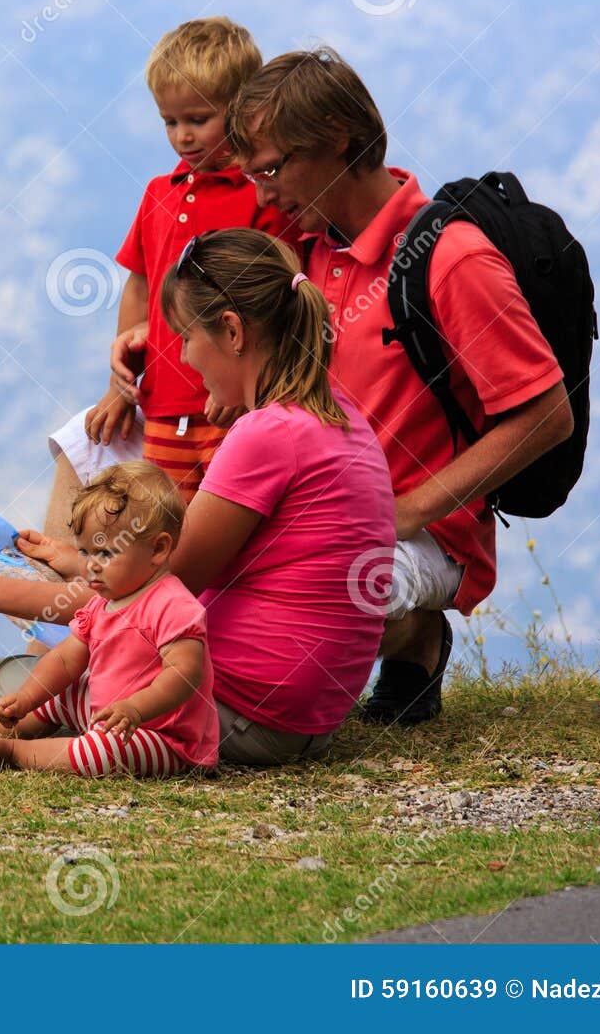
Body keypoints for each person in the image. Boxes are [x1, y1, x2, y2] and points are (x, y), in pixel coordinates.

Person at [0, 229, 396, 765]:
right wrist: (71, 560)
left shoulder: (268, 435)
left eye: (186, 336)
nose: (183, 357)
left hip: (240, 709)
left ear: (232, 331)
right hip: (303, 715)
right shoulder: (340, 417)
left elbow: (138, 600)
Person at [226, 47, 574, 725]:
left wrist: (406, 510)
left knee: (320, 595)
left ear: (337, 140)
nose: (263, 193)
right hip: (323, 513)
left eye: (273, 168)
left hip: (421, 532)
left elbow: (545, 414)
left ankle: (417, 636)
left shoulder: (451, 257)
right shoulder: (312, 253)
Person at [42, 17, 291, 538]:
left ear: (243, 111)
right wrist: (120, 385)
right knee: (164, 528)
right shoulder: (160, 193)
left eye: (198, 119)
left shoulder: (262, 196)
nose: (182, 136)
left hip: (235, 406)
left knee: (232, 530)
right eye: (169, 121)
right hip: (163, 406)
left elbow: (279, 296)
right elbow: (139, 284)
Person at [0, 461, 216, 777]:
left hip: (164, 738)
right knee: (65, 691)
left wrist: (135, 708)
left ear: (158, 549)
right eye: (85, 552)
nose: (91, 566)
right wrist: (26, 699)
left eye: (106, 554)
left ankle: (16, 752)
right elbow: (66, 661)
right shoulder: (103, 602)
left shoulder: (173, 605)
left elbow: (184, 674)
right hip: (108, 714)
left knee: (104, 751)